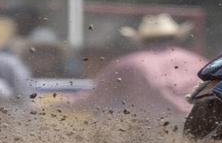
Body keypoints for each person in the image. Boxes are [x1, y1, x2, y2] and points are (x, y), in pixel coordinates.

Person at [75, 14, 203, 121]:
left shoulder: (128, 64)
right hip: (197, 125)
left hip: (153, 131)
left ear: (141, 40)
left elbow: (92, 101)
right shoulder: (199, 62)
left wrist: (59, 102)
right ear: (177, 37)